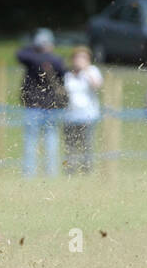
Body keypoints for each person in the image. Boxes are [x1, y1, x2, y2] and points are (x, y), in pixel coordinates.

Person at [16, 28, 67, 177]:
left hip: (34, 106)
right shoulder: (56, 60)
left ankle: (29, 174)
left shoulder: (31, 58)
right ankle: (51, 173)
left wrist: (34, 48)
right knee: (50, 140)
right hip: (49, 106)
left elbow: (19, 54)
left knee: (31, 141)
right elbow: (63, 73)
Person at [62, 46, 104, 174]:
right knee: (70, 146)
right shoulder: (68, 74)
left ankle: (86, 170)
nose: (79, 60)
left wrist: (85, 70)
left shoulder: (92, 71)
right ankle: (70, 170)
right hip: (70, 115)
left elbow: (97, 85)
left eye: (83, 57)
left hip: (88, 115)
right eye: (77, 57)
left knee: (86, 144)